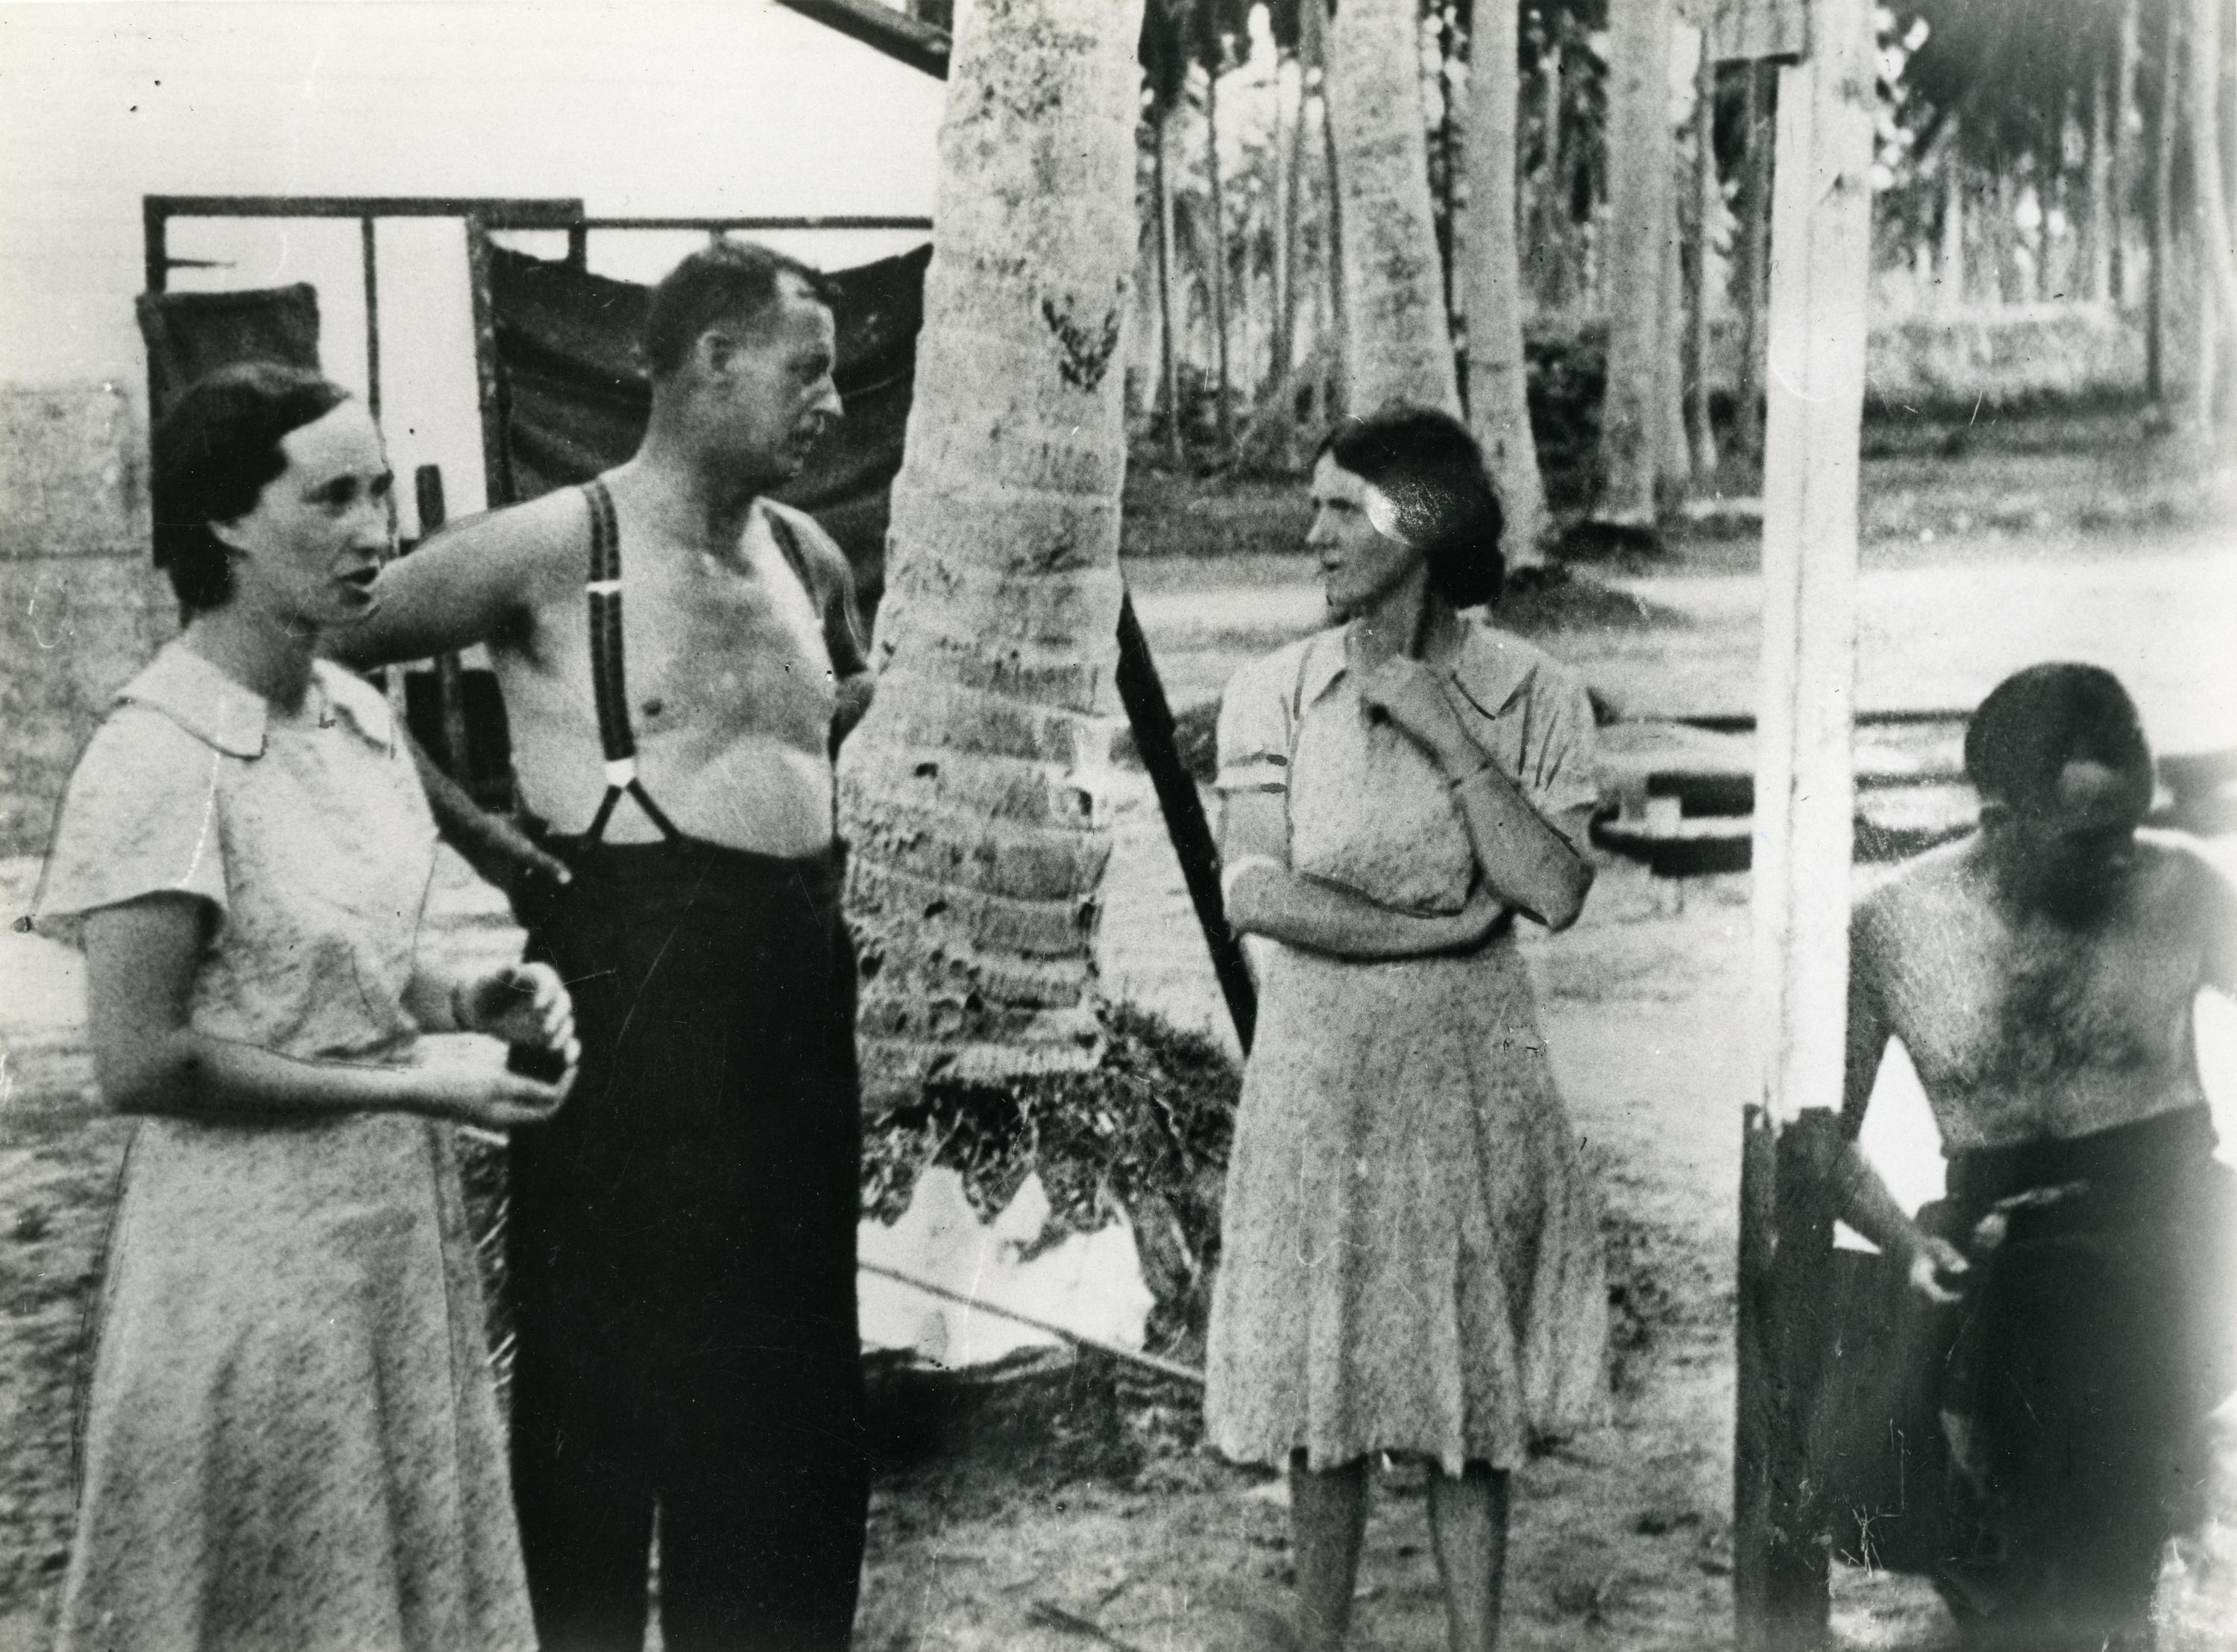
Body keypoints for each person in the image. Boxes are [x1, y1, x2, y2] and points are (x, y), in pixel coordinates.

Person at [328, 240, 876, 1652]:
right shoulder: (556, 547)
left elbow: (806, 740)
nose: (832, 406)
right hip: (630, 1009)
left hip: (795, 1015)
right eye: (806, 370)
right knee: (602, 1402)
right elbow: (313, 649)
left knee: (793, 1388)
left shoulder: (809, 556)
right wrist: (477, 837)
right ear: (709, 360)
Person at [31, 362, 579, 1652]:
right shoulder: (159, 750)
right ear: (225, 520)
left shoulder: (354, 719)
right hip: (243, 1274)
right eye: (331, 498)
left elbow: (354, 971)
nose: (377, 534)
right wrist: (411, 1083)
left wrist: (468, 992)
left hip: (389, 1253)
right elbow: (142, 1060)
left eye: (382, 494)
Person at [1204, 405, 1609, 1652]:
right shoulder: (1274, 690)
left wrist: (1443, 729)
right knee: (1323, 1391)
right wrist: (1433, 930)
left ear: (1419, 525)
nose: (1311, 533)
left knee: (1469, 1387)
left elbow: (1549, 888)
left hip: (1468, 1075)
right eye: (1317, 505)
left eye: (1341, 509)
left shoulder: (1534, 694)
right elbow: (1256, 891)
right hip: (1318, 1075)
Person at [1822, 663, 2237, 1649]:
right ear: (2001, 821)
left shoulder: (2185, 888)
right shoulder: (1897, 927)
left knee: (2093, 1502)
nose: (2121, 858)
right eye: (2090, 838)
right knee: (2018, 1518)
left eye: (2133, 825)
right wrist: (1899, 1243)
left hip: (2171, 1225)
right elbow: (1819, 1140)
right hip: (1996, 1248)